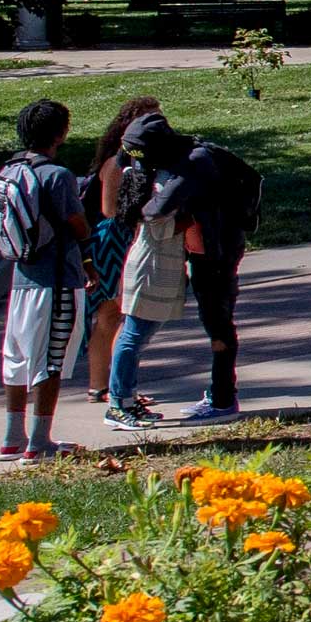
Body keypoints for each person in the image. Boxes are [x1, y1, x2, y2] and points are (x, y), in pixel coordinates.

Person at [121, 113, 244, 422]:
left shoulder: (194, 162)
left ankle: (222, 400)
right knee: (216, 321)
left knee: (218, 323)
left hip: (216, 256)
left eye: (143, 154)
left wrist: (144, 183)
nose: (141, 161)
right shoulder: (183, 158)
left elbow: (155, 210)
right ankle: (220, 395)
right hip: (205, 253)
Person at [0, 100, 93, 464]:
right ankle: (40, 442)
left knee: (17, 358)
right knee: (49, 361)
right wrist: (89, 253)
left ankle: (12, 438)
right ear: (61, 133)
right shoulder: (57, 175)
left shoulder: (10, 170)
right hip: (57, 282)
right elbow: (76, 223)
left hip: (21, 279)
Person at [83, 96, 163, 408]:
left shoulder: (139, 160)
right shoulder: (117, 162)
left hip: (122, 238)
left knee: (113, 315)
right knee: (115, 314)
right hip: (112, 242)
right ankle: (112, 387)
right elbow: (107, 210)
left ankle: (105, 386)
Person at [103, 161, 189, 431]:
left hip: (157, 262)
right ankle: (117, 403)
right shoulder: (159, 180)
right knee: (133, 335)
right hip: (150, 264)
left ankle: (127, 399)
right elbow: (161, 227)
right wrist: (195, 213)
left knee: (139, 335)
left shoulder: (152, 174)